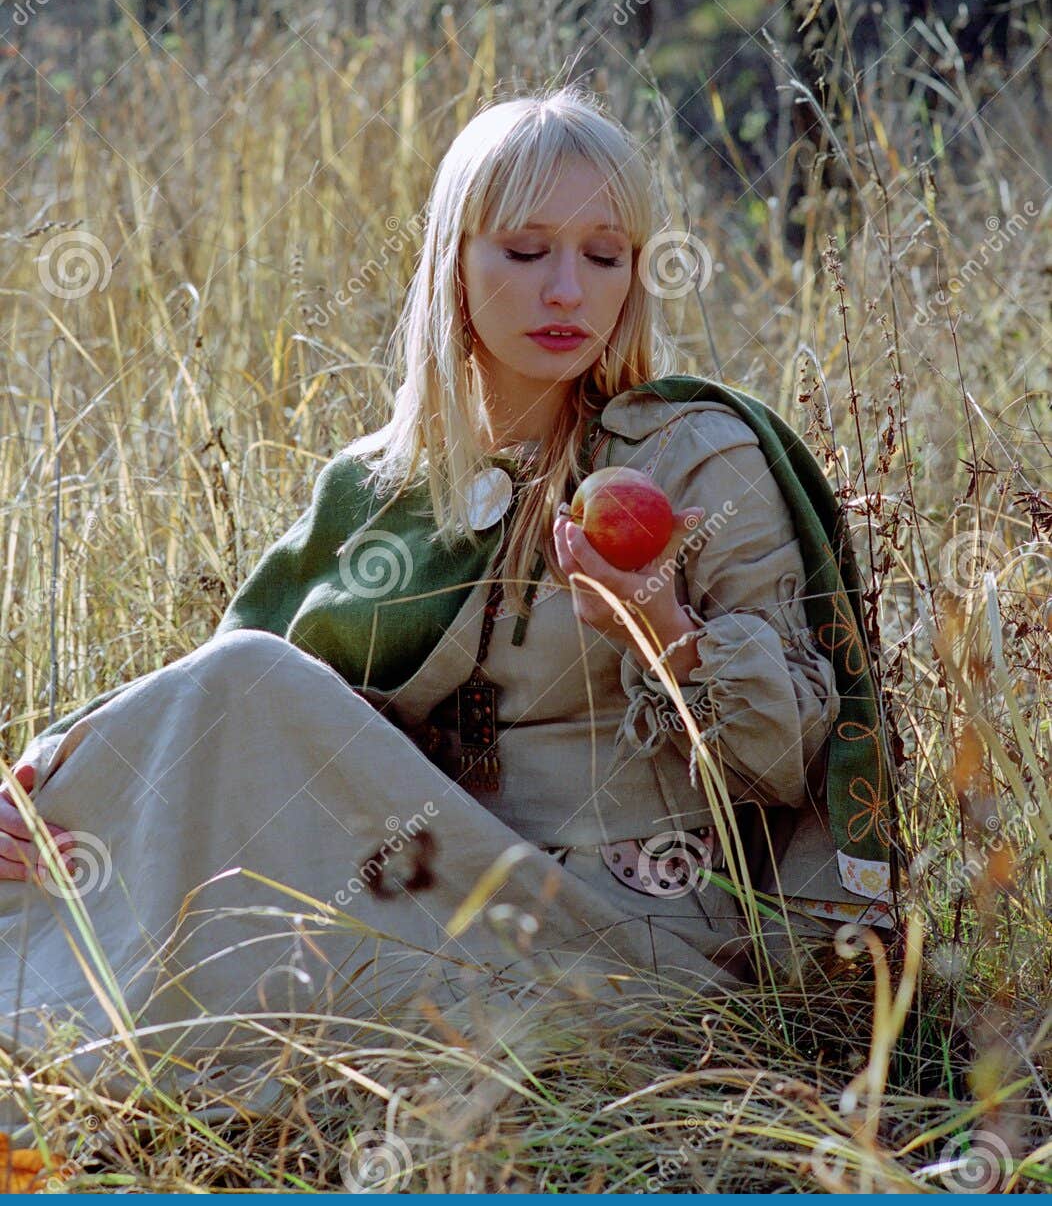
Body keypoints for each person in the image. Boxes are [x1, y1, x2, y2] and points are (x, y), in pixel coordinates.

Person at [0, 85, 899, 1127]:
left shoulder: (693, 455)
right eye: (524, 251)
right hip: (412, 888)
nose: (567, 287)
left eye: (604, 256)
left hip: (627, 932)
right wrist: (51, 779)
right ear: (452, 262)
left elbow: (789, 759)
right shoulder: (380, 485)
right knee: (228, 707)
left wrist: (664, 629)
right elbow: (229, 727)